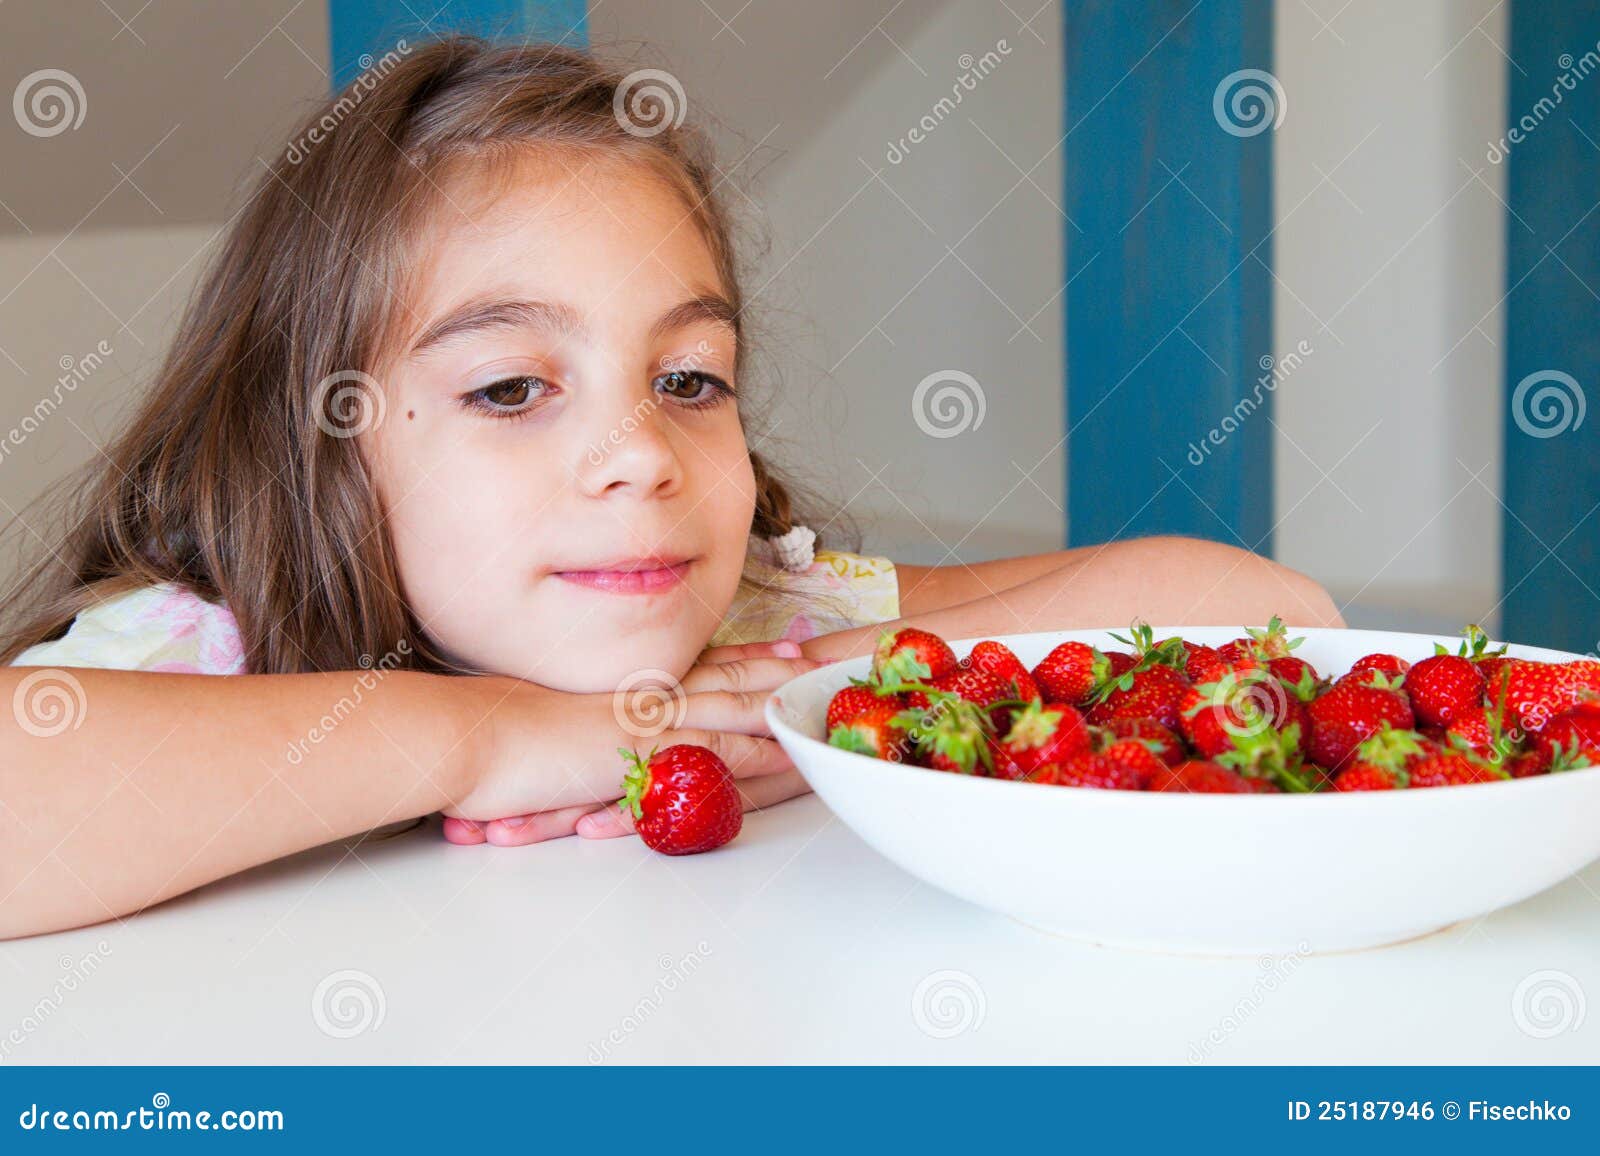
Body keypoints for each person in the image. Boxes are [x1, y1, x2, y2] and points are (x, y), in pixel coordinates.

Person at [0, 38, 1342, 939]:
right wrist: (510, 738)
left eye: (689, 380)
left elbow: (1270, 614)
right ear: (324, 444)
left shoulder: (757, 625)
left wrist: (835, 686)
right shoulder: (211, 642)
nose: (642, 451)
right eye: (512, 390)